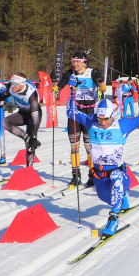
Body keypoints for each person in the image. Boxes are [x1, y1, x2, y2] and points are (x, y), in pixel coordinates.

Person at [67, 77, 139, 236]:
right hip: (99, 176)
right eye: (100, 119)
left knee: (116, 178)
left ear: (112, 115)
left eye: (106, 119)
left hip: (118, 172)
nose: (103, 123)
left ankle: (114, 218)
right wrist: (72, 92)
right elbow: (70, 111)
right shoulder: (91, 122)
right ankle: (122, 196)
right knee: (104, 196)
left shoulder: (123, 124)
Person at [55, 52, 106, 188]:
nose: (75, 64)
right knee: (74, 146)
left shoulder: (92, 72)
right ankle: (75, 176)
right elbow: (57, 88)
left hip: (89, 112)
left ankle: (92, 175)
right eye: (73, 61)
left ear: (84, 62)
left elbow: (103, 88)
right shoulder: (69, 74)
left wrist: (100, 81)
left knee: (89, 147)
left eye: (77, 62)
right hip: (74, 112)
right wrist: (53, 83)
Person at [0, 74, 43, 166]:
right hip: (22, 113)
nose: (13, 86)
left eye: (15, 84)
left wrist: (34, 137)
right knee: (5, 122)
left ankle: (29, 168)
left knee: (30, 145)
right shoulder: (11, 87)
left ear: (22, 83)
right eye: (12, 83)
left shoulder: (31, 94)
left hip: (33, 117)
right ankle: (27, 138)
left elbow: (35, 117)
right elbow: (2, 96)